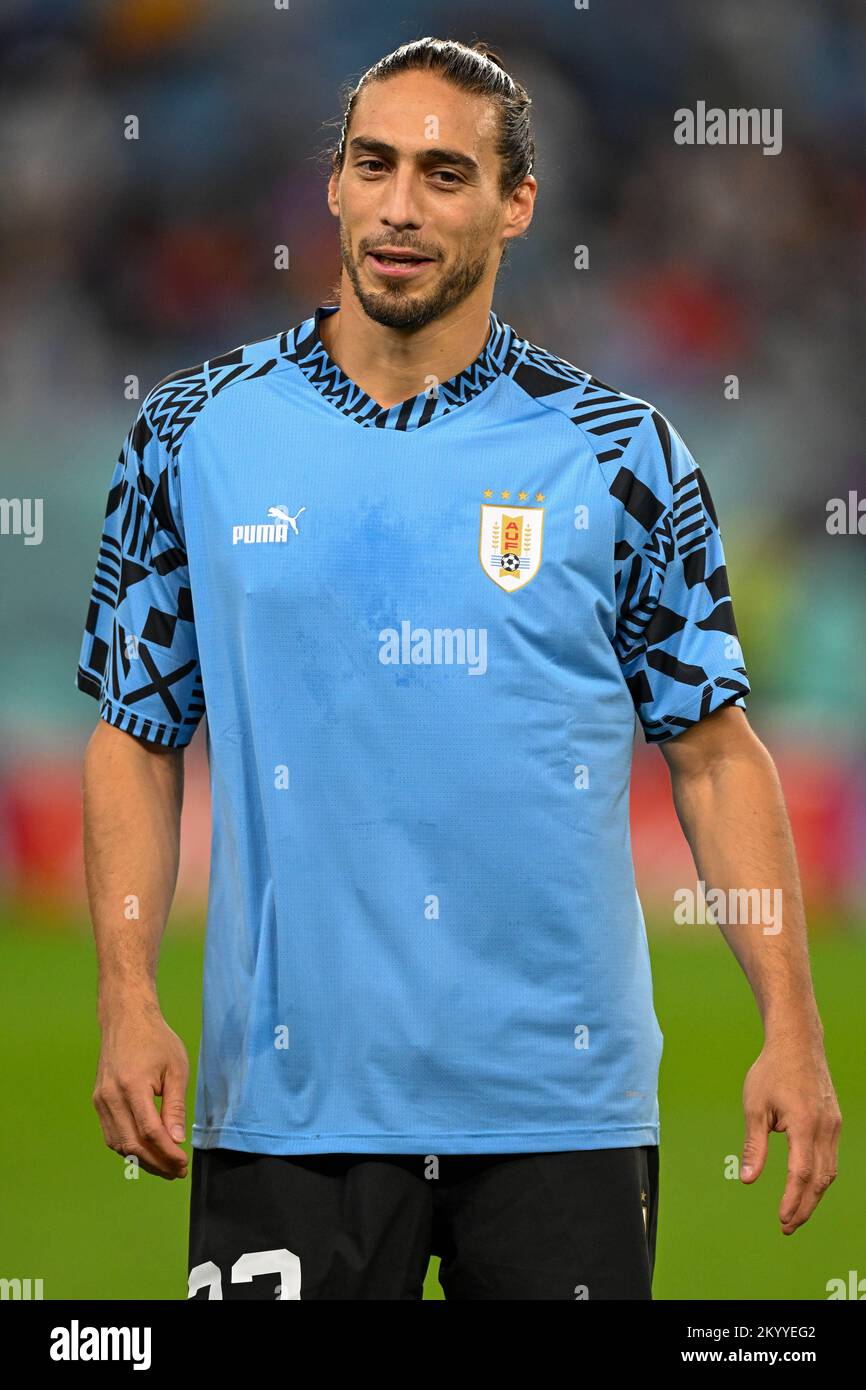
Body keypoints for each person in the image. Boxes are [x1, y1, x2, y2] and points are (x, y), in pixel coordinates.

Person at [76, 37, 840, 1301]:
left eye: (444, 173)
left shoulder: (619, 452)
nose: (398, 205)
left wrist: (792, 1029)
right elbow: (135, 733)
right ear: (331, 184)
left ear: (516, 204)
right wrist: (124, 996)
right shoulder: (190, 435)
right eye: (373, 164)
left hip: (561, 1109)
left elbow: (712, 753)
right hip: (287, 1100)